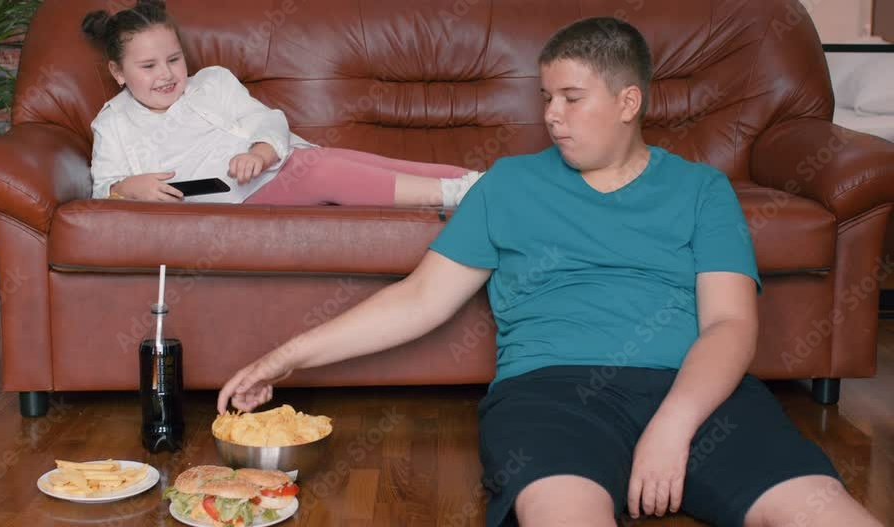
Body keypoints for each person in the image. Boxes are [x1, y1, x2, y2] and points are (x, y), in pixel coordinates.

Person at [216, 15, 885, 527]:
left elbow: (733, 324)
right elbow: (420, 299)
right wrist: (286, 357)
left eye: (570, 98)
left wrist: (673, 424)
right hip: (551, 395)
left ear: (629, 102)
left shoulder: (703, 191)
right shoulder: (506, 185)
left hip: (699, 393)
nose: (550, 116)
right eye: (545, 98)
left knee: (824, 508)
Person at [81, 0, 481, 208]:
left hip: (280, 164)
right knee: (323, 170)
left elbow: (264, 117)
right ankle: (446, 194)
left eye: (174, 59)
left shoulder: (211, 82)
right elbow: (102, 188)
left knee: (363, 164)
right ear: (118, 72)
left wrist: (262, 149)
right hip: (235, 195)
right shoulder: (113, 123)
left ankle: (480, 183)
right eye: (148, 66)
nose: (166, 75)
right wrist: (126, 188)